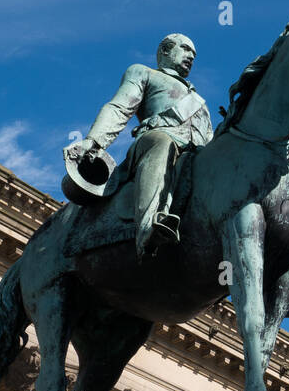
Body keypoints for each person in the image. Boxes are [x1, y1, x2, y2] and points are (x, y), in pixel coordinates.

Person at [65, 34, 213, 256]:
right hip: (156, 140)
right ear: (165, 50)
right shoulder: (144, 72)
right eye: (185, 49)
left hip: (196, 151)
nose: (191, 56)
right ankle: (149, 227)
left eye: (193, 53)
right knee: (163, 142)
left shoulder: (199, 100)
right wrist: (93, 141)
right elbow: (119, 107)